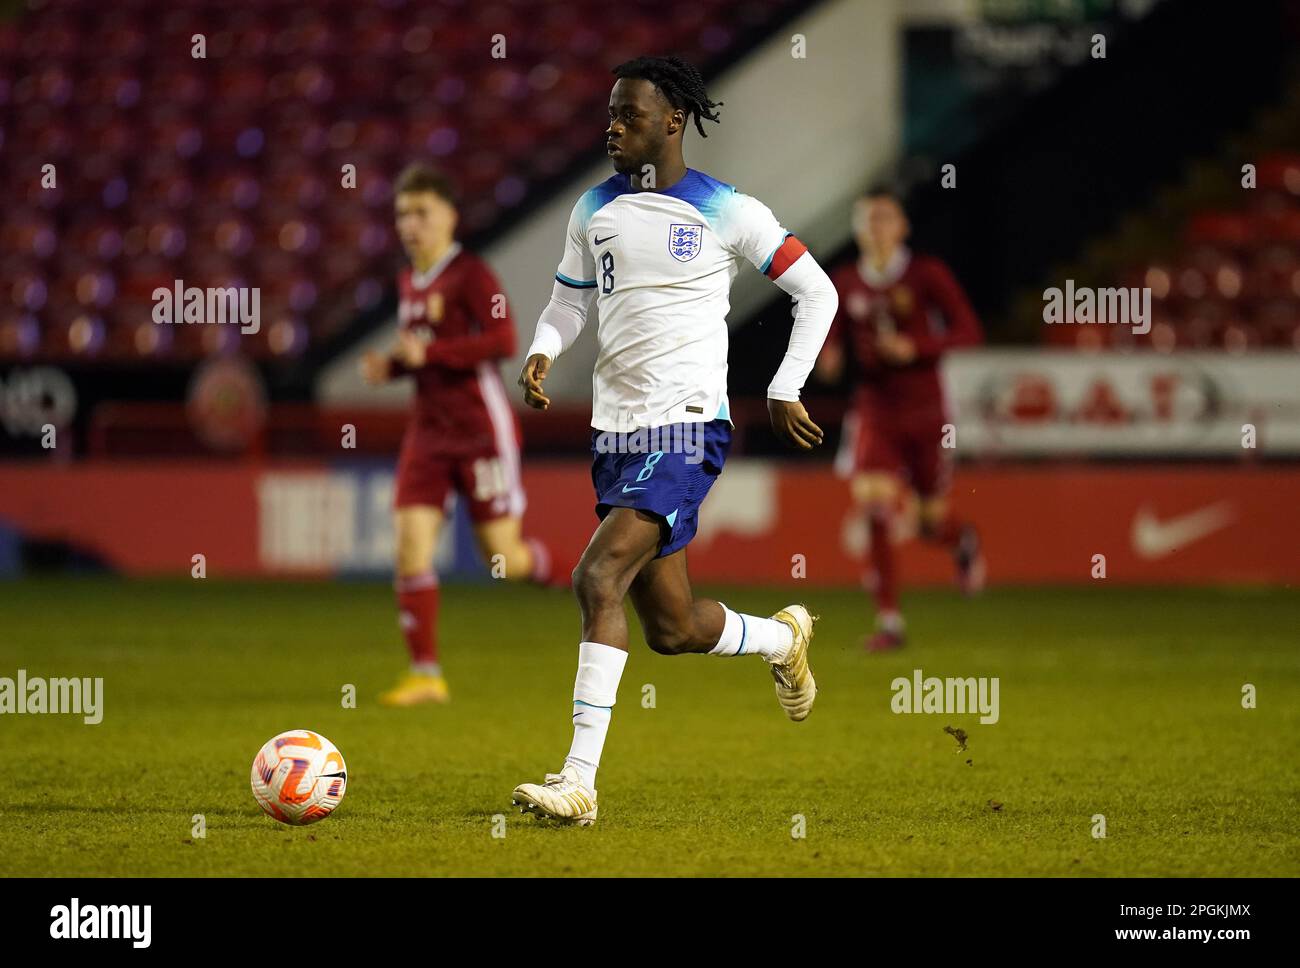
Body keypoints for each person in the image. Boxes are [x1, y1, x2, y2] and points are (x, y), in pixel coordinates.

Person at [509, 56, 838, 825]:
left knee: (597, 580)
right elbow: (567, 301)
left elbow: (815, 290)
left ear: (672, 122)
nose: (613, 127)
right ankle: (780, 639)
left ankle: (578, 782)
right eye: (610, 114)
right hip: (616, 432)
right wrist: (544, 349)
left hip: (687, 425)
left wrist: (785, 385)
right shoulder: (593, 209)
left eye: (629, 114)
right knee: (673, 628)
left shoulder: (729, 210)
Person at [362, 164, 553, 706]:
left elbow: (505, 338)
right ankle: (426, 675)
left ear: (449, 216)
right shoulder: (409, 279)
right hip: (427, 432)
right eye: (402, 214)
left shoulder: (471, 274)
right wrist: (394, 369)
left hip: (478, 431)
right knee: (409, 548)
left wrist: (433, 354)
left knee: (506, 560)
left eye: (421, 212)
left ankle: (580, 576)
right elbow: (423, 353)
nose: (410, 224)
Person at [817, 187, 985, 652]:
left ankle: (962, 540)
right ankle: (889, 621)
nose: (876, 227)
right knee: (873, 504)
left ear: (903, 226)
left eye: (884, 218)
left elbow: (969, 331)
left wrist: (918, 348)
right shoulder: (846, 281)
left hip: (927, 410)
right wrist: (827, 355)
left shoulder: (926, 274)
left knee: (930, 521)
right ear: (857, 229)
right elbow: (829, 330)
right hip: (875, 409)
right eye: (867, 219)